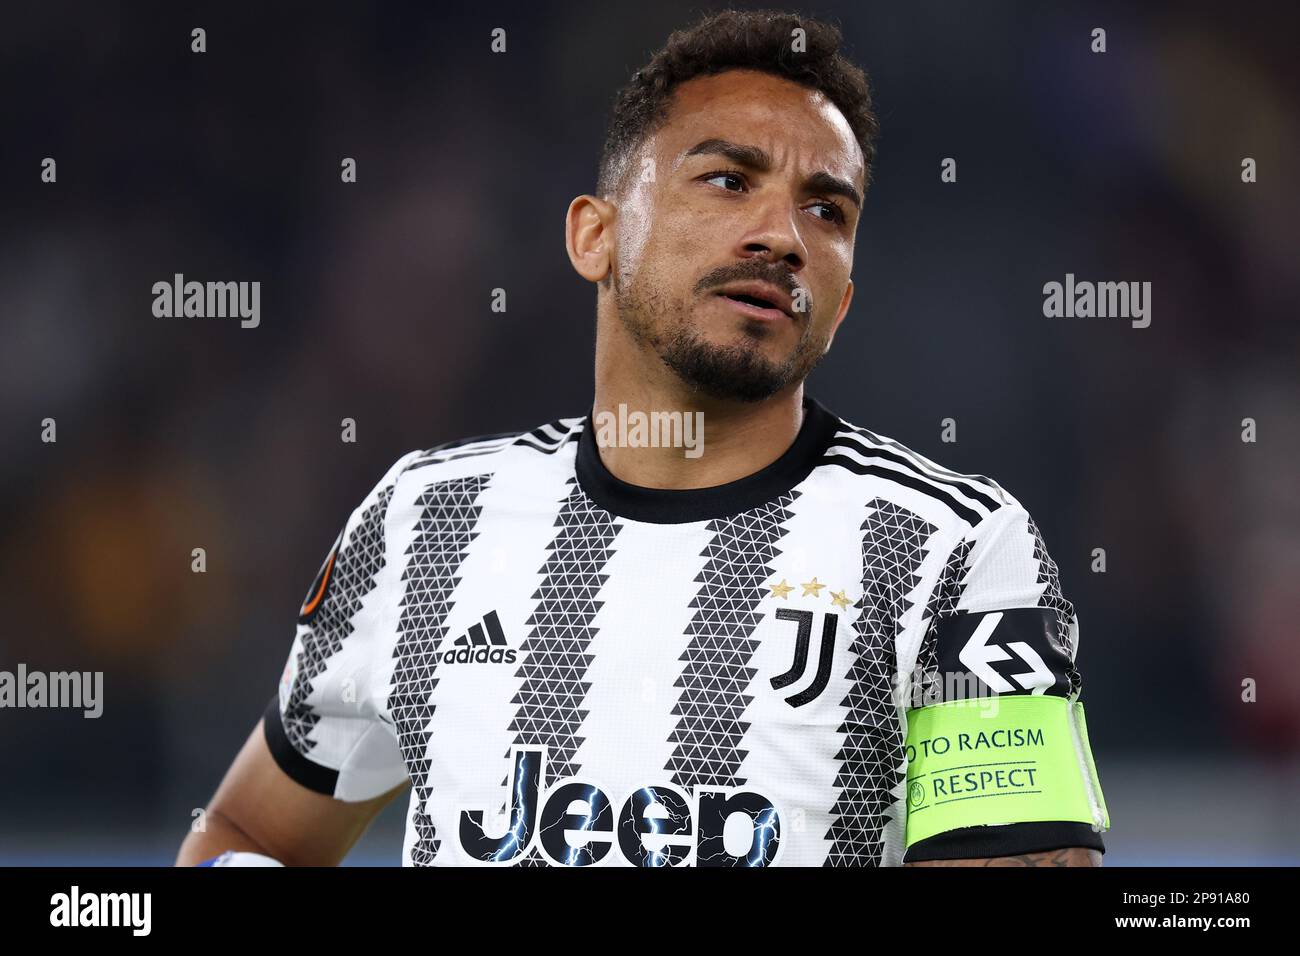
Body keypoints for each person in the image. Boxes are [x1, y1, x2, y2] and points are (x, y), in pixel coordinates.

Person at [177, 8, 1108, 868]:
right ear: (596, 238)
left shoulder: (955, 548)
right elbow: (249, 833)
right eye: (728, 179)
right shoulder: (424, 523)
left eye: (827, 210)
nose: (782, 235)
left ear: (844, 299)